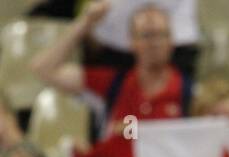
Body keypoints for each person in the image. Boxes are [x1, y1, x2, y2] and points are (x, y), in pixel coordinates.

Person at [31, 1, 193, 137]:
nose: (154, 43)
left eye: (161, 35)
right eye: (146, 35)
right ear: (131, 41)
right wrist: (85, 22)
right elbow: (43, 69)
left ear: (172, 40)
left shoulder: (190, 90)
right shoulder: (113, 84)